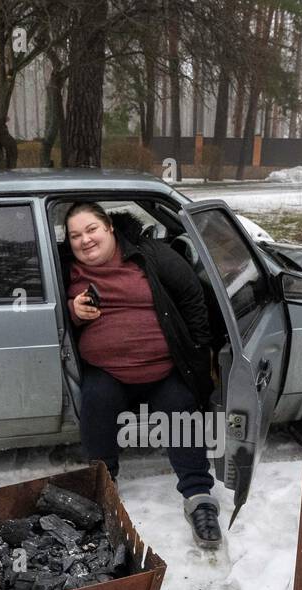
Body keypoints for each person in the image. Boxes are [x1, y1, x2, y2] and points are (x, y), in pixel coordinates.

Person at [62, 201, 222, 548]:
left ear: (109, 228)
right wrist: (73, 311)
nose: (85, 240)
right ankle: (103, 487)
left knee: (181, 410)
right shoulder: (66, 269)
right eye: (75, 236)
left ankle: (199, 499)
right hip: (108, 372)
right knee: (96, 401)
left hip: (162, 370)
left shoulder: (149, 254)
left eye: (91, 229)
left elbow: (193, 295)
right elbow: (52, 317)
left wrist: (198, 350)